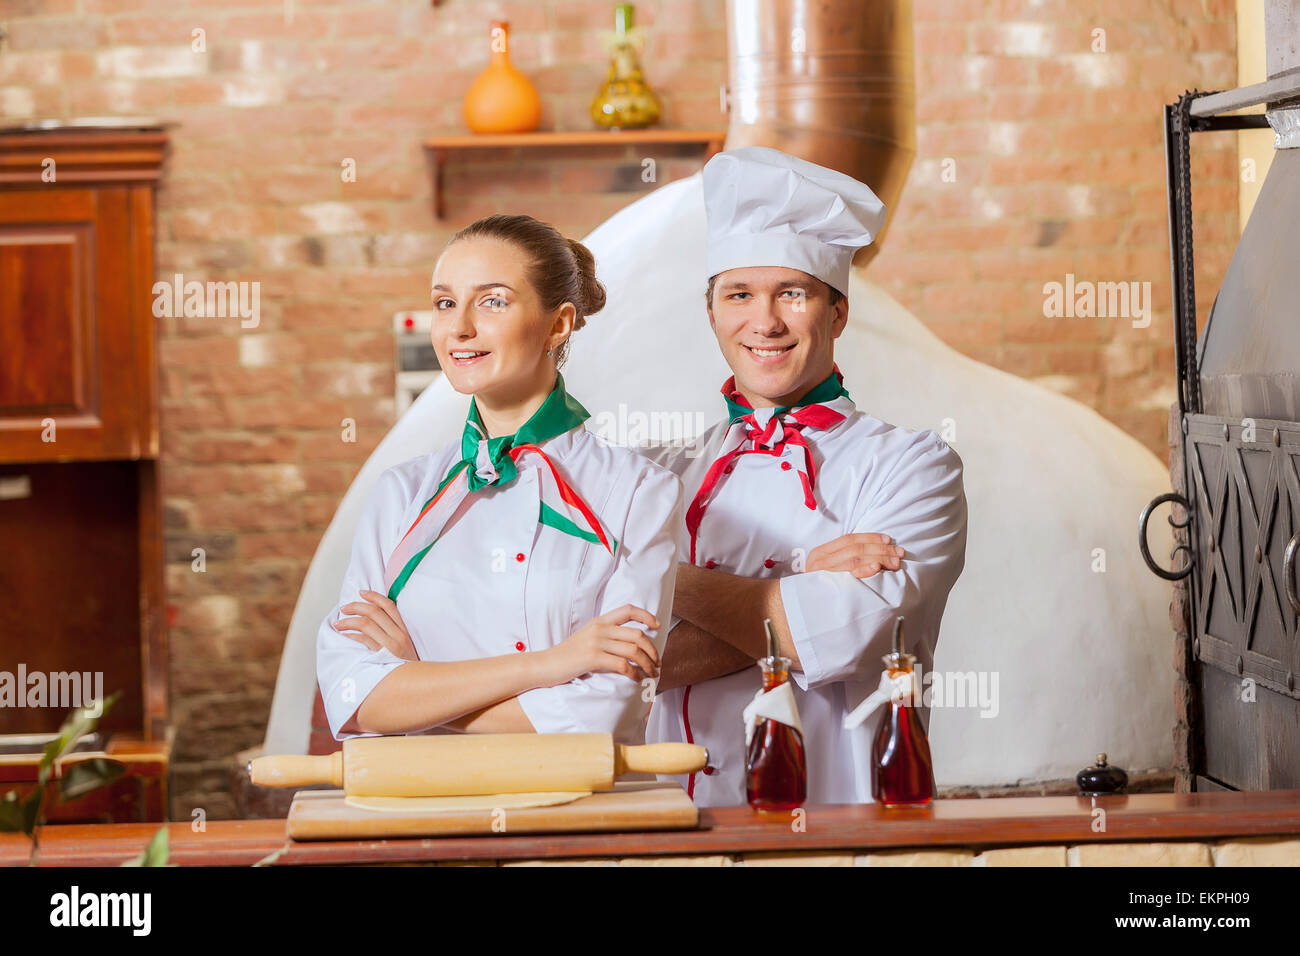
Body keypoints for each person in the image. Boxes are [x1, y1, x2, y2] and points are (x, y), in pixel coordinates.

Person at [642, 146, 969, 805]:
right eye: (739, 295)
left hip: (840, 826)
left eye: (792, 293)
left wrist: (657, 579)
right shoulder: (657, 473)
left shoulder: (913, 466)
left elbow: (847, 637)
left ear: (838, 312)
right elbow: (607, 664)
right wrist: (796, 592)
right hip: (667, 824)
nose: (763, 322)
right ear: (713, 315)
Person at [317, 214, 684, 744]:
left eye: (492, 301)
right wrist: (554, 663)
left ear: (558, 324)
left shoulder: (639, 491)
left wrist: (415, 681)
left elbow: (607, 716)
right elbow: (352, 697)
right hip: (422, 807)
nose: (459, 328)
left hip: (576, 810)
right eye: (445, 302)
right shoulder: (400, 493)